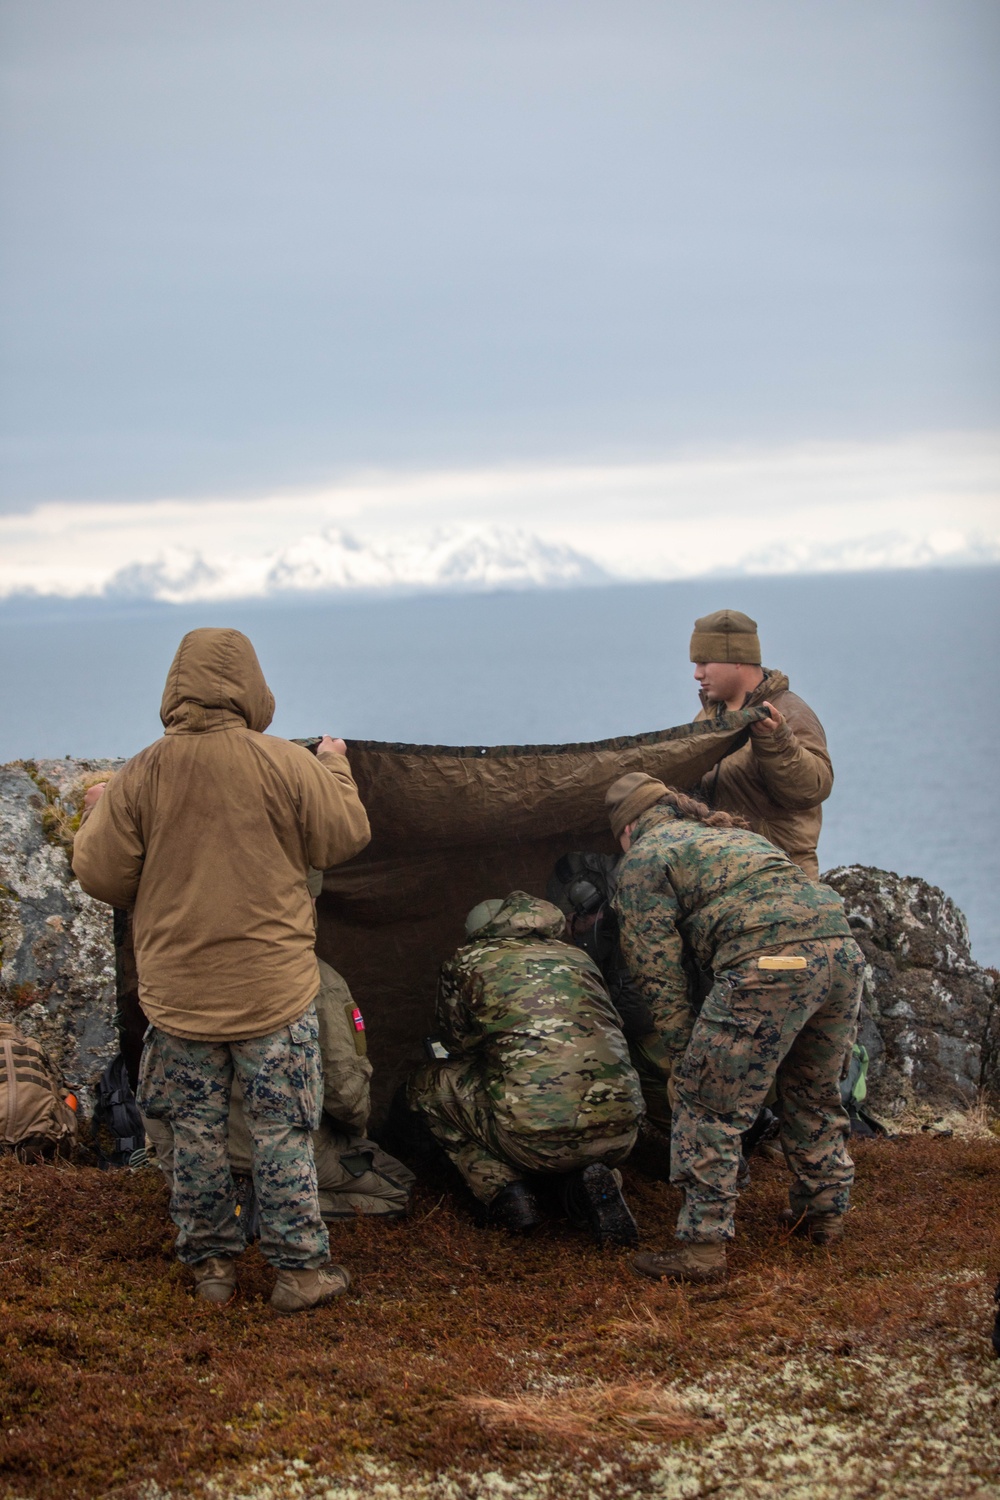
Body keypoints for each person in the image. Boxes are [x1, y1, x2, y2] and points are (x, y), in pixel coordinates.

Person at [72, 627, 371, 1312]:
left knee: (195, 1135)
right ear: (250, 686)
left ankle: (211, 1269)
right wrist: (332, 765)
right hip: (274, 988)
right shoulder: (284, 764)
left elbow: (100, 873)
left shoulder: (144, 773)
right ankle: (299, 1273)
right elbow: (343, 835)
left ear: (175, 688)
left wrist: (106, 816)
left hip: (179, 996)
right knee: (282, 1133)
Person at [605, 771, 864, 1284]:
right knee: (812, 1088)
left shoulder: (644, 858)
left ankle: (702, 1248)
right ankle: (824, 1212)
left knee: (707, 1102)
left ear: (627, 827)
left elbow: (656, 969)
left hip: (770, 964)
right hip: (843, 954)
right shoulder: (735, 836)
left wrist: (683, 1054)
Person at [407, 891, 644, 1245]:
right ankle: (588, 1183)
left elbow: (457, 1043)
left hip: (533, 1136)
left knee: (425, 1085)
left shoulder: (467, 960)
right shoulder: (576, 955)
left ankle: (507, 1193)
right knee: (565, 1104)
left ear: (478, 932)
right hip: (623, 1129)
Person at [689, 608, 833, 878]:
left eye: (704, 662)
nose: (697, 674)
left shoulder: (790, 712)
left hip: (782, 878)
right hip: (724, 873)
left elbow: (813, 788)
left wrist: (776, 740)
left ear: (737, 659)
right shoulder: (709, 714)